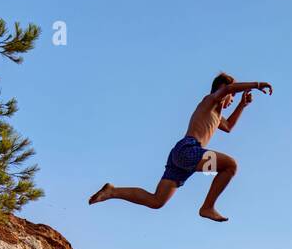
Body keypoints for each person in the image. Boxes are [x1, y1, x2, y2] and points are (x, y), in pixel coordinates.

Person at [88, 73, 273, 222]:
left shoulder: (217, 116)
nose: (232, 99)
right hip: (189, 150)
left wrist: (242, 105)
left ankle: (113, 191)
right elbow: (230, 88)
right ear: (223, 90)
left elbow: (229, 127)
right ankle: (207, 207)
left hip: (181, 157)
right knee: (231, 165)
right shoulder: (210, 101)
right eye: (232, 96)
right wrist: (256, 84)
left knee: (157, 201)